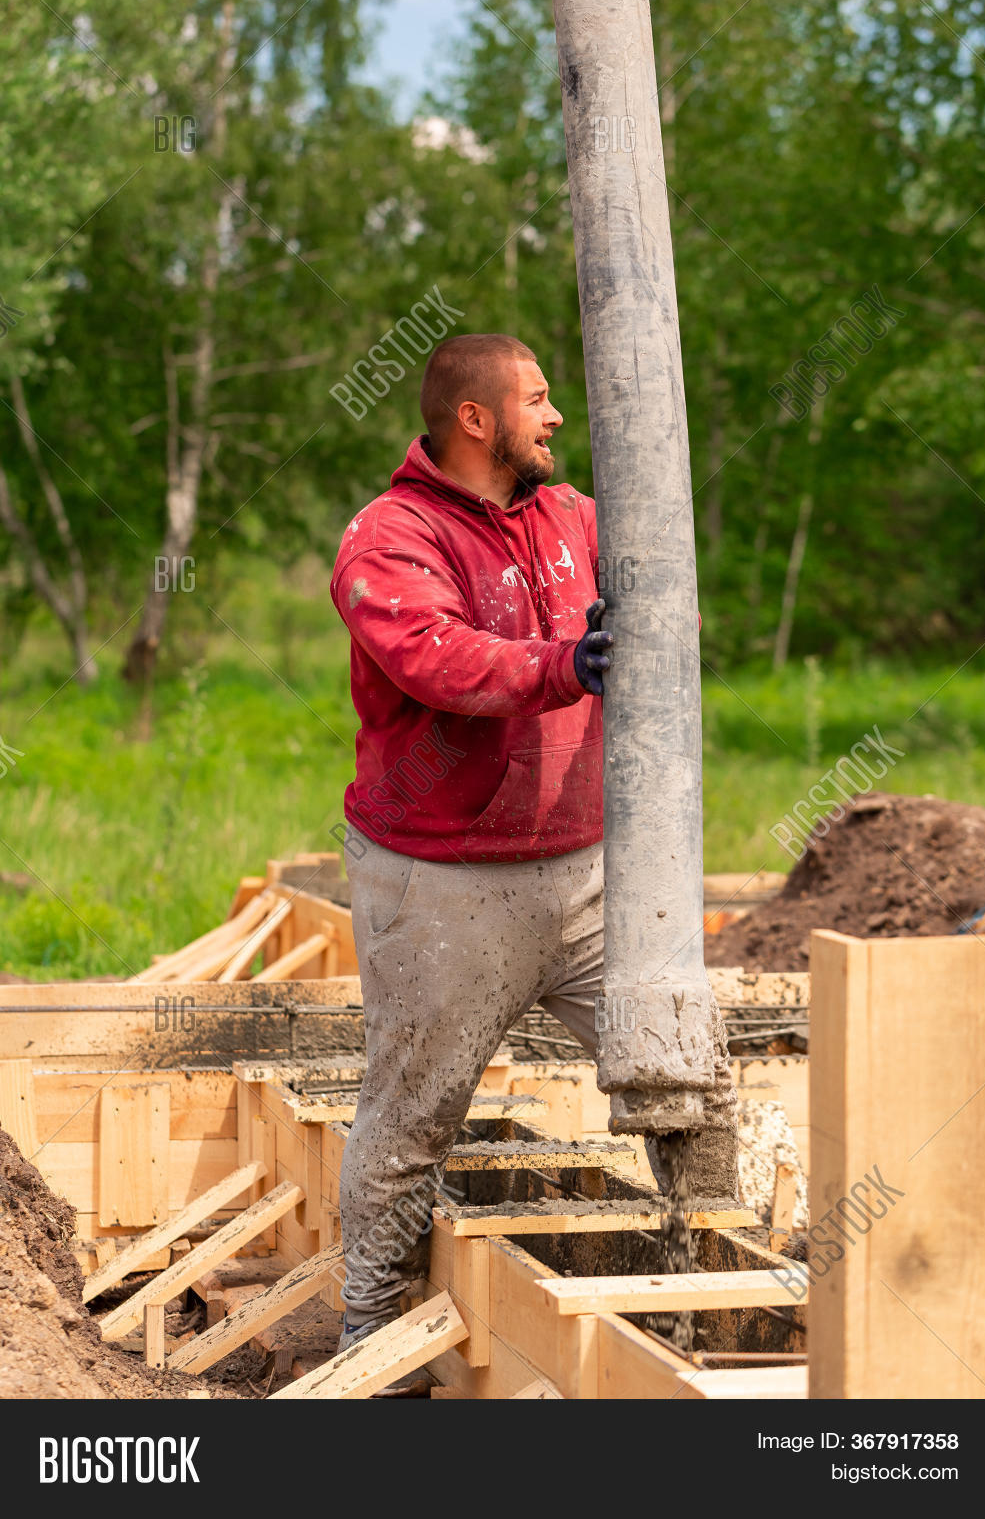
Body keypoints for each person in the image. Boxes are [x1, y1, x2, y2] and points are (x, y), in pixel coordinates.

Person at [329, 333, 734, 1390]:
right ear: (476, 419)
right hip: (443, 883)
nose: (555, 418)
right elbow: (437, 658)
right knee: (413, 1119)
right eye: (538, 399)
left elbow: (671, 608)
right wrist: (565, 662)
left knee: (693, 1079)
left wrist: (654, 619)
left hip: (592, 876)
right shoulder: (390, 537)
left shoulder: (575, 519)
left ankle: (708, 1315)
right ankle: (371, 1342)